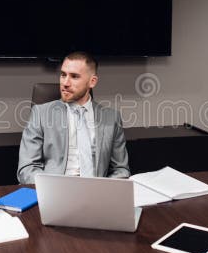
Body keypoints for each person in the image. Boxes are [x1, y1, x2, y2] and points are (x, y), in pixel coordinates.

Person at [17, 51, 130, 184]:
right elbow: (26, 169)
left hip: (96, 193)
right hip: (54, 191)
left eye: (74, 76)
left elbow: (121, 170)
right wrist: (52, 188)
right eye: (63, 74)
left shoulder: (111, 118)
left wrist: (103, 189)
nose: (65, 82)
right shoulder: (40, 113)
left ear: (92, 81)